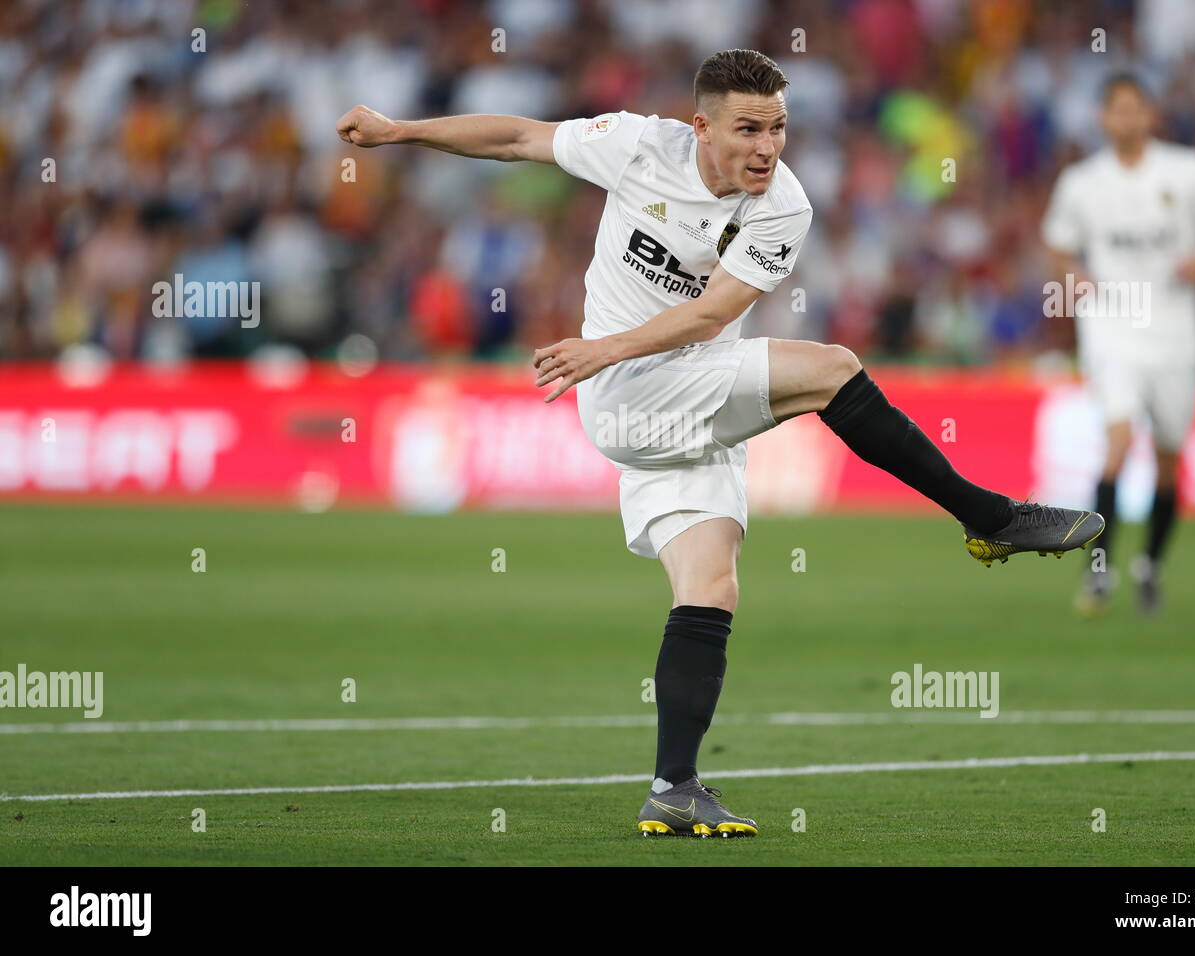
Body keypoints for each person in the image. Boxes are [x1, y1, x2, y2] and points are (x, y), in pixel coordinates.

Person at [338, 48, 1103, 838]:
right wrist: (400, 131)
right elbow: (519, 140)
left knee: (710, 588)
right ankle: (986, 515)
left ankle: (674, 787)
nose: (766, 147)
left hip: (686, 396)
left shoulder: (784, 205)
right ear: (699, 128)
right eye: (746, 129)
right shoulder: (638, 146)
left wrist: (602, 346)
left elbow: (711, 316)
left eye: (778, 127)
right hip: (633, 395)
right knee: (833, 369)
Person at [1043, 73, 1195, 616]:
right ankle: (1100, 573)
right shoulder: (1082, 182)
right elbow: (1059, 248)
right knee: (1117, 439)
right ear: (1103, 118)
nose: (1128, 119)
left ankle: (1150, 566)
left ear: (1151, 115)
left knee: (1169, 459)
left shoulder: (1189, 171)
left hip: (1176, 331)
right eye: (1118, 110)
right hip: (1111, 324)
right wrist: (1074, 275)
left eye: (1137, 109)